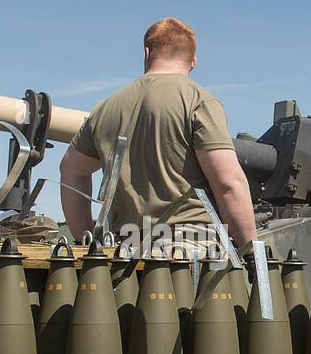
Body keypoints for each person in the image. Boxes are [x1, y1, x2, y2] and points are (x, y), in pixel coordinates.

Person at [58, 17, 256, 254]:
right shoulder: (199, 101)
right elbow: (227, 183)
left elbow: (71, 169)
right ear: (193, 61)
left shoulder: (105, 108)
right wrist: (250, 252)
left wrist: (85, 239)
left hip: (124, 251)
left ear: (147, 52)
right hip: (189, 252)